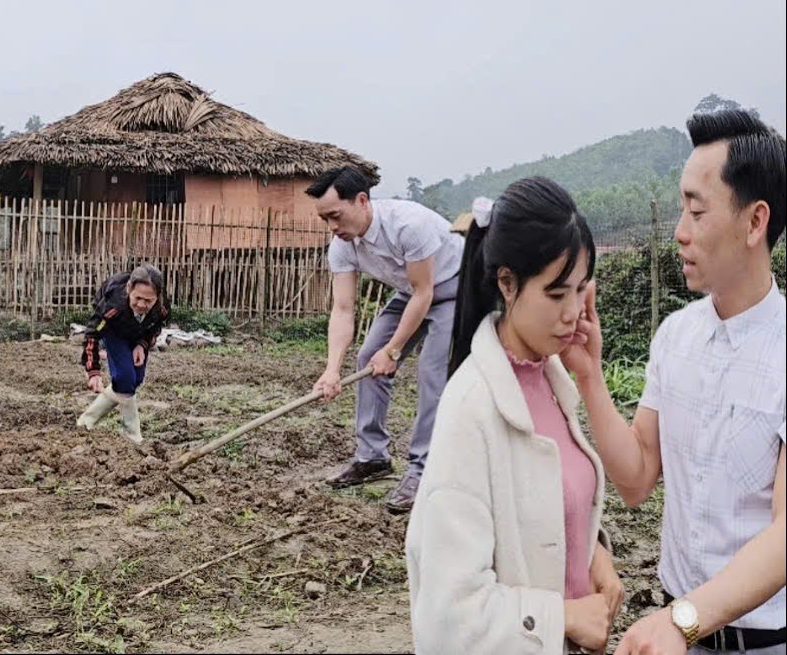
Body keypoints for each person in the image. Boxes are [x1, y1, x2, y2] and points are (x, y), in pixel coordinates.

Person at [581, 110, 786, 655]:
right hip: (681, 635)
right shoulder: (675, 336)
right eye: (681, 209)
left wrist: (685, 619)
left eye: (696, 210)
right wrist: (589, 374)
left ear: (754, 221)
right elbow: (637, 479)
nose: (680, 231)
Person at [405, 176, 623, 654]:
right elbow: (449, 614)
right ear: (507, 282)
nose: (572, 313)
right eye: (555, 293)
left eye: (580, 290)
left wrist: (593, 553)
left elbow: (544, 506)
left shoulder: (551, 380)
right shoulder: (472, 409)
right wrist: (562, 616)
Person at [307, 164, 464, 513]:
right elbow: (343, 309)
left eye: (336, 216)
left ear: (362, 200)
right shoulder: (343, 246)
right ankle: (372, 456)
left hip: (454, 290)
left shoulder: (409, 225)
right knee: (367, 359)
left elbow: (426, 293)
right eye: (325, 220)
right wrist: (332, 369)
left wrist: (392, 351)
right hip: (409, 294)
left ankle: (424, 469)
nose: (332, 228)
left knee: (431, 373)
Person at [76, 264, 169, 444]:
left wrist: (142, 345)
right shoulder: (112, 306)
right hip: (114, 330)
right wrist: (93, 372)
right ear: (128, 289)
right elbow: (92, 334)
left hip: (138, 331)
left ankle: (85, 421)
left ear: (158, 297)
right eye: (138, 298)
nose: (142, 304)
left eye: (149, 301)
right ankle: (133, 436)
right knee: (125, 378)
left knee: (135, 378)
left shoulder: (161, 307)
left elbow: (156, 327)